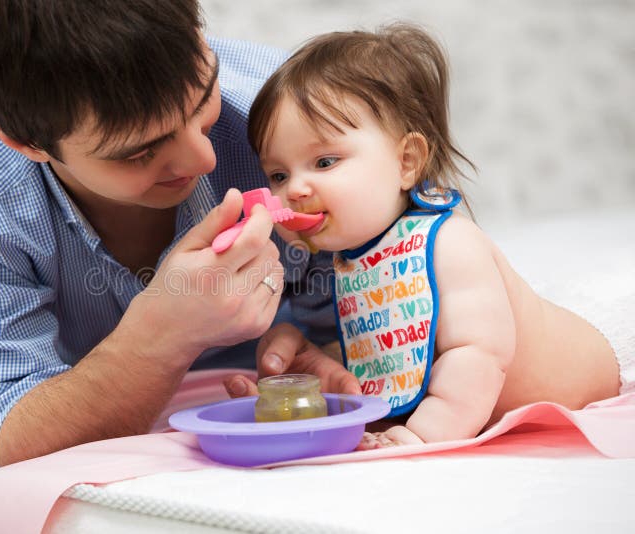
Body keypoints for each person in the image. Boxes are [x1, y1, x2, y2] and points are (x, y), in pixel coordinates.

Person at [0, 0, 343, 471]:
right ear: (22, 141)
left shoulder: (313, 113)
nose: (205, 160)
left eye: (203, 101)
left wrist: (324, 345)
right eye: (139, 152)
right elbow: (4, 430)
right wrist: (163, 335)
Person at [227, 23, 627, 446]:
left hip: (601, 367)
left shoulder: (450, 245)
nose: (295, 189)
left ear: (407, 162)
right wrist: (319, 380)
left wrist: (421, 436)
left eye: (325, 162)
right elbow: (393, 348)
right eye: (278, 174)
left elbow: (477, 356)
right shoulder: (349, 262)